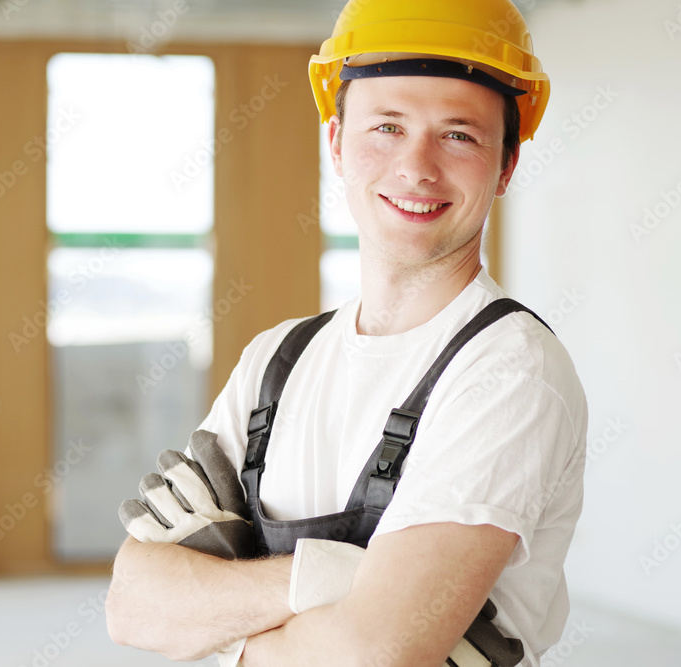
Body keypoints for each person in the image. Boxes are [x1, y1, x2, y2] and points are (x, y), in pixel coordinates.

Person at [106, 1, 587, 665]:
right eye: (387, 127)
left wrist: (218, 623)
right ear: (335, 142)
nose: (416, 167)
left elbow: (377, 654)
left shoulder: (510, 370)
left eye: (459, 135)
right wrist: (336, 579)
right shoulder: (276, 360)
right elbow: (132, 603)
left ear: (506, 165)